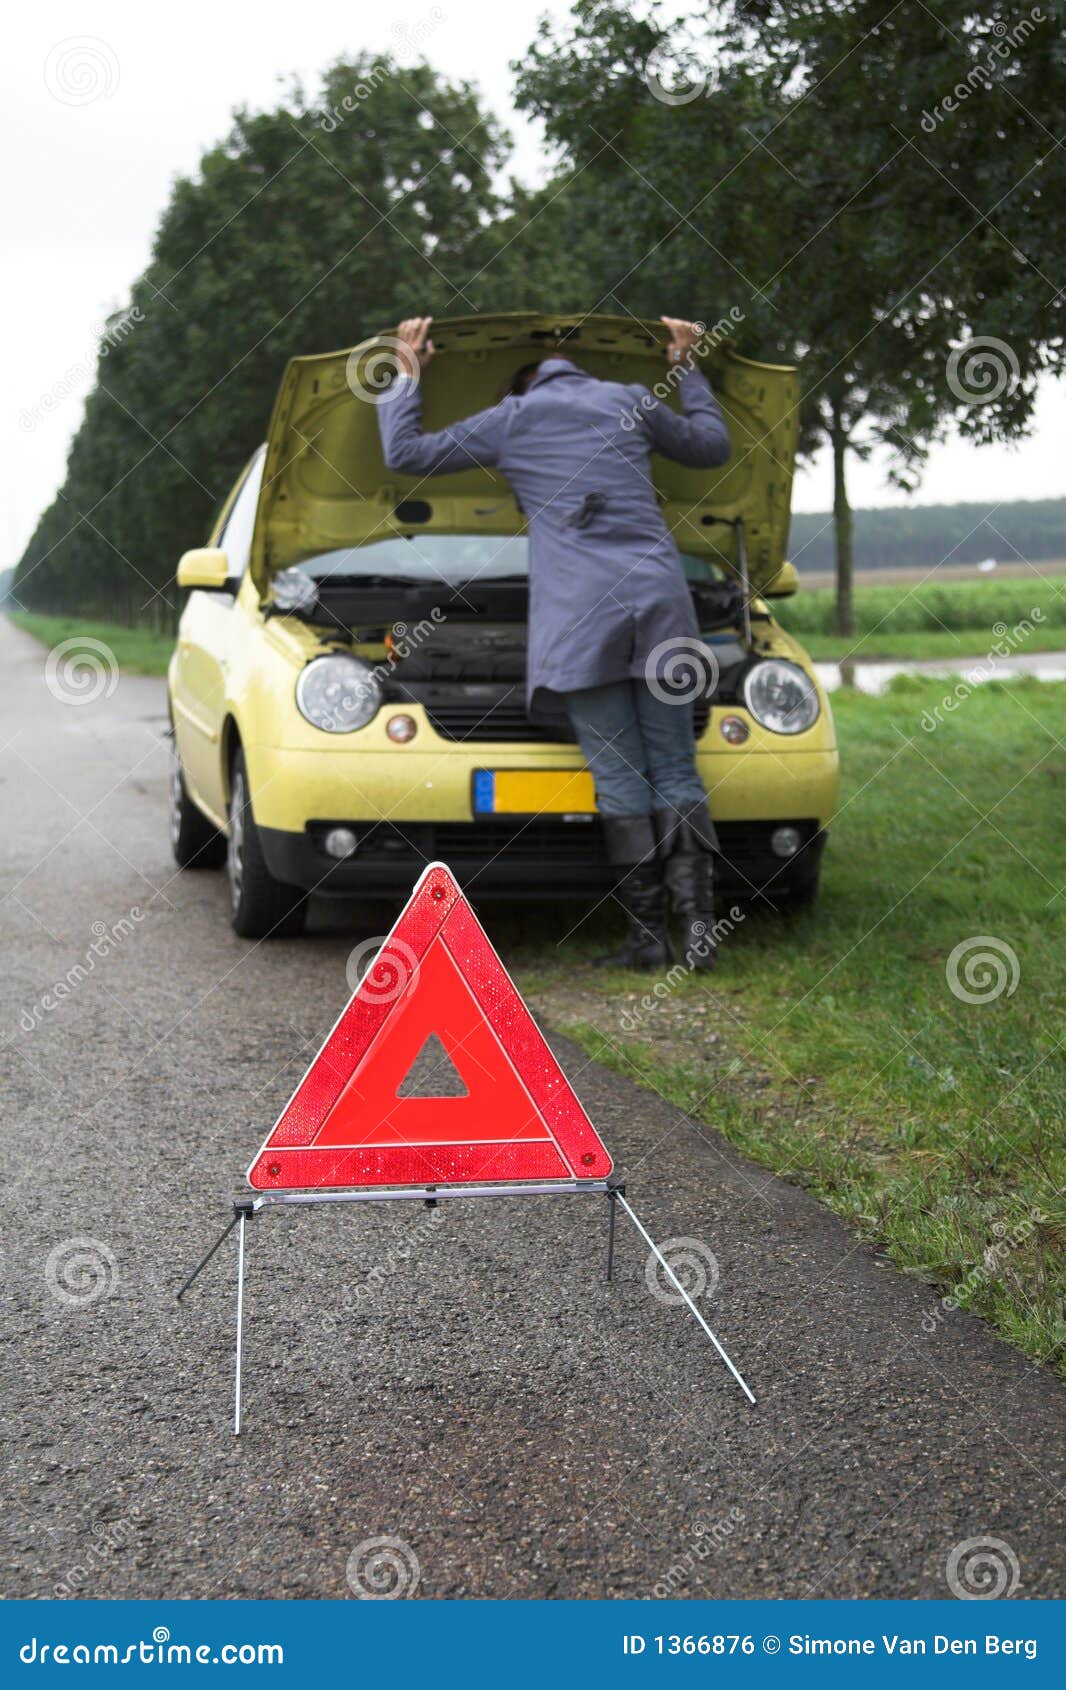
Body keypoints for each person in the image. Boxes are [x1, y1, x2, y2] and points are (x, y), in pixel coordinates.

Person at [377, 315, 732, 971]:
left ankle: (649, 939)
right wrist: (686, 365)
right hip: (660, 602)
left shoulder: (512, 418)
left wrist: (406, 371)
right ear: (576, 373)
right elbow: (712, 446)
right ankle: (702, 933)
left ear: (521, 387)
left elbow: (405, 455)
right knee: (677, 768)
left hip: (583, 616)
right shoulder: (630, 400)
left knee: (622, 778)